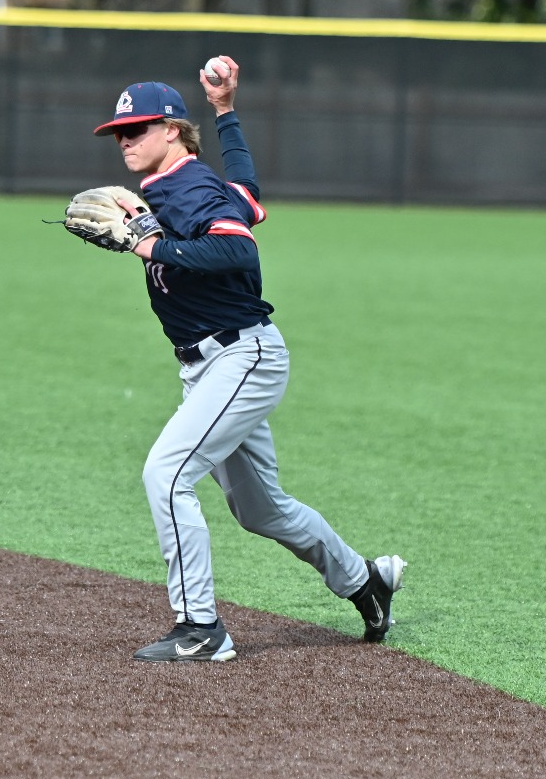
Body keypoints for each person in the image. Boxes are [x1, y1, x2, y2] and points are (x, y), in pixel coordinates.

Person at [90, 56, 404, 663]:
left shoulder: (185, 185)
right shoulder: (180, 185)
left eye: (140, 128)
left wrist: (149, 242)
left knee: (167, 473)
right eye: (120, 132)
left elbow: (235, 247)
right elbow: (248, 197)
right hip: (212, 364)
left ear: (174, 131)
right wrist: (228, 113)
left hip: (240, 355)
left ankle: (200, 628)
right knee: (263, 510)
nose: (126, 139)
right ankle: (366, 581)